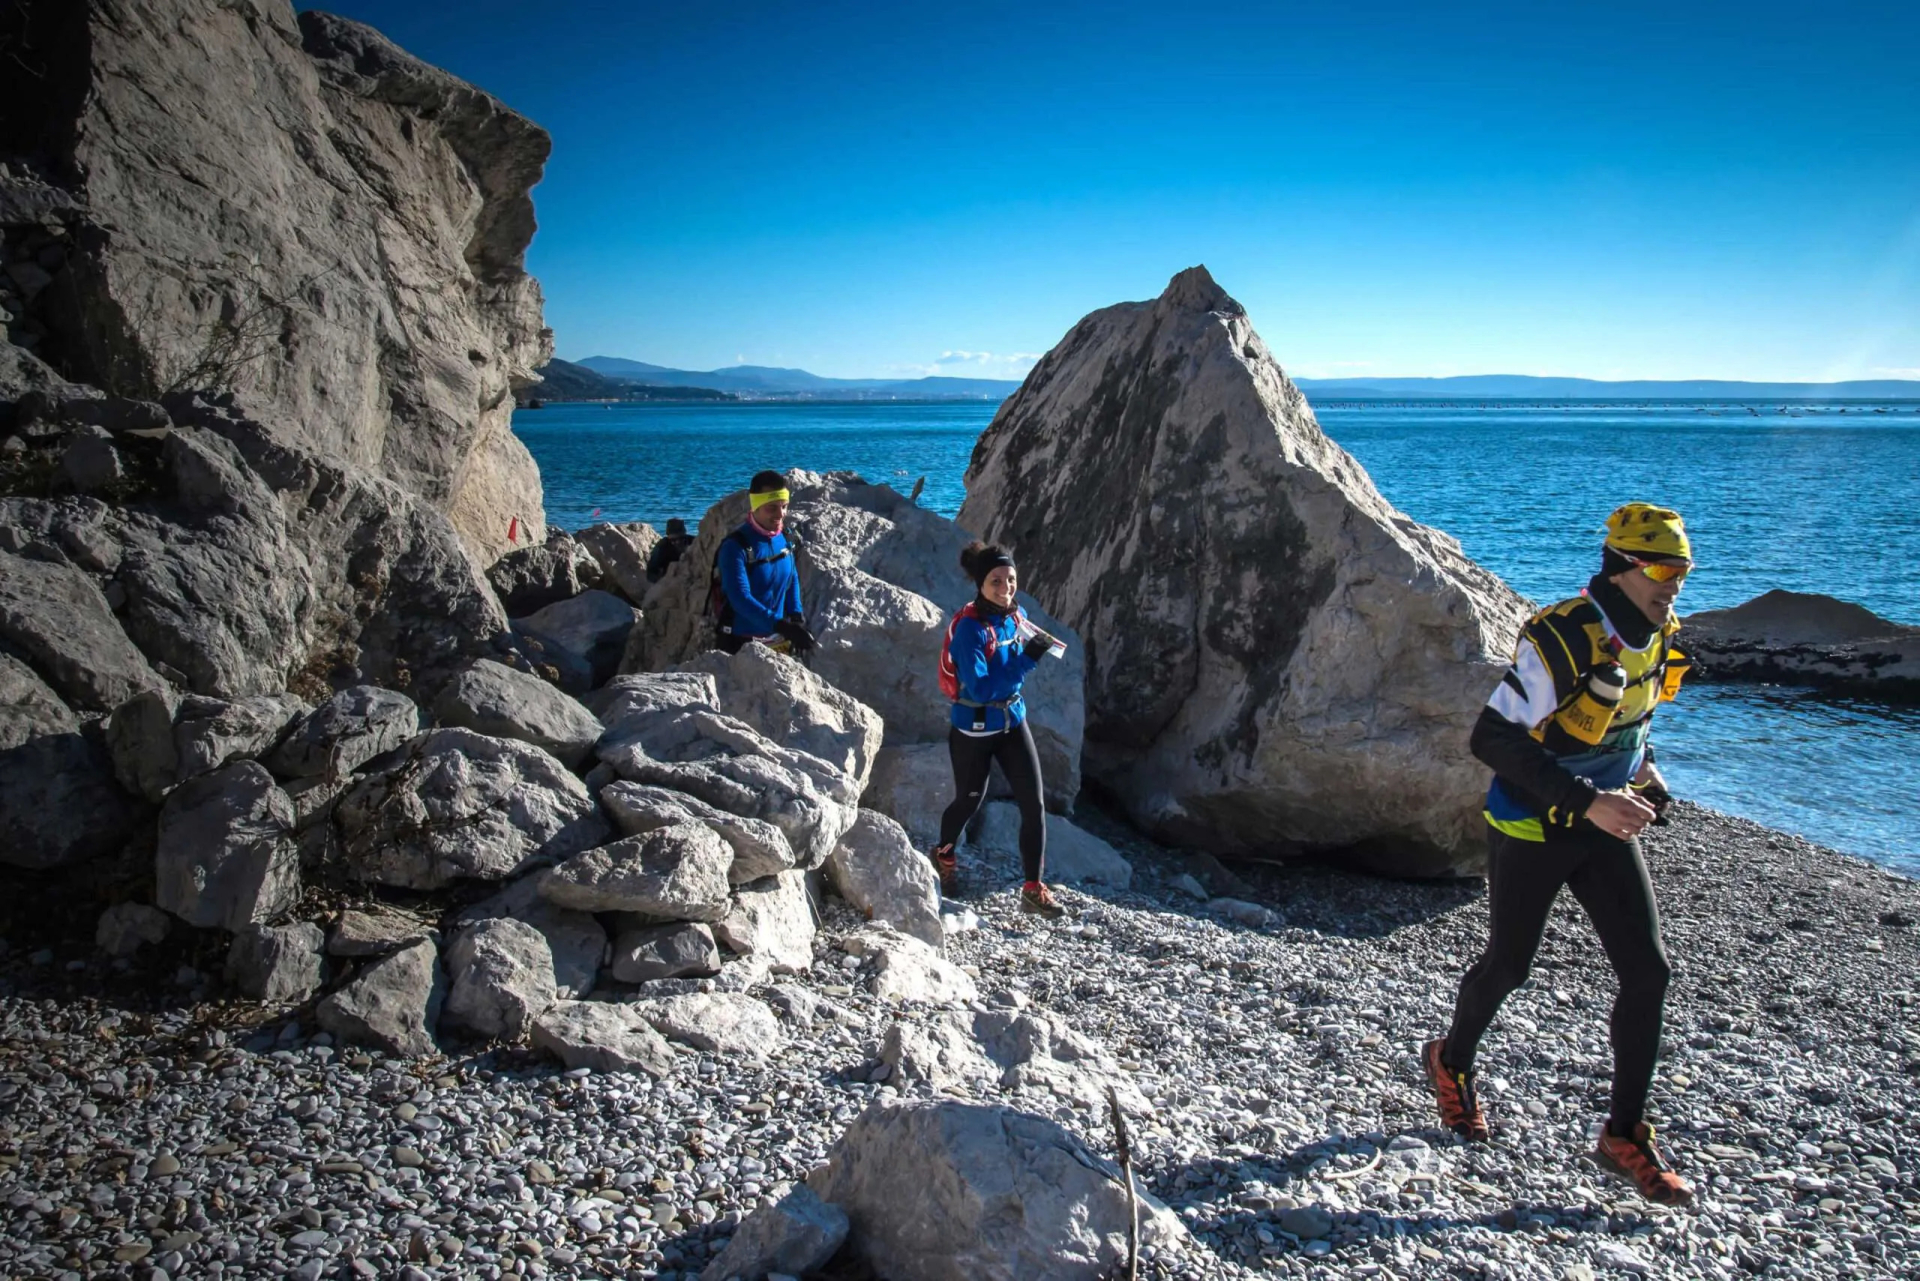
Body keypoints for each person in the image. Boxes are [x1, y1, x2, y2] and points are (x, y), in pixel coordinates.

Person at [1426, 502, 1696, 1206]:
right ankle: (1451, 1061)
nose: (1675, 584)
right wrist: (1588, 800)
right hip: (1531, 824)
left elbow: (1630, 722)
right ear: (1623, 567)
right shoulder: (1564, 635)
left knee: (1649, 972)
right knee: (1510, 965)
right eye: (1662, 570)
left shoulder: (1659, 635)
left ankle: (1624, 1134)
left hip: (1601, 823)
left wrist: (1646, 776)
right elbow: (1491, 738)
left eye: (1683, 570)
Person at [929, 541, 1065, 918]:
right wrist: (1028, 660)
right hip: (974, 729)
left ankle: (1033, 889)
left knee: (1033, 804)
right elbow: (982, 688)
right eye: (996, 581)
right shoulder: (969, 631)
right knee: (969, 801)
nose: (1006, 588)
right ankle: (943, 853)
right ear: (980, 584)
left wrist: (1032, 650)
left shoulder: (1015, 615)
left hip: (1012, 722)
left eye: (1011, 579)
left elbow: (1011, 664)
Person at [712, 472, 815, 657]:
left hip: (778, 639)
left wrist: (796, 617)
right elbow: (740, 599)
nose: (780, 514)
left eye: (784, 506)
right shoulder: (735, 547)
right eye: (772, 508)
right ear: (756, 506)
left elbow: (792, 577)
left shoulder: (785, 538)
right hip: (740, 644)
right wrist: (782, 626)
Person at [647, 517, 693, 583]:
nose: (678, 542)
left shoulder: (693, 542)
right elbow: (651, 572)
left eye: (681, 538)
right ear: (668, 537)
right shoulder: (662, 547)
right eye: (673, 540)